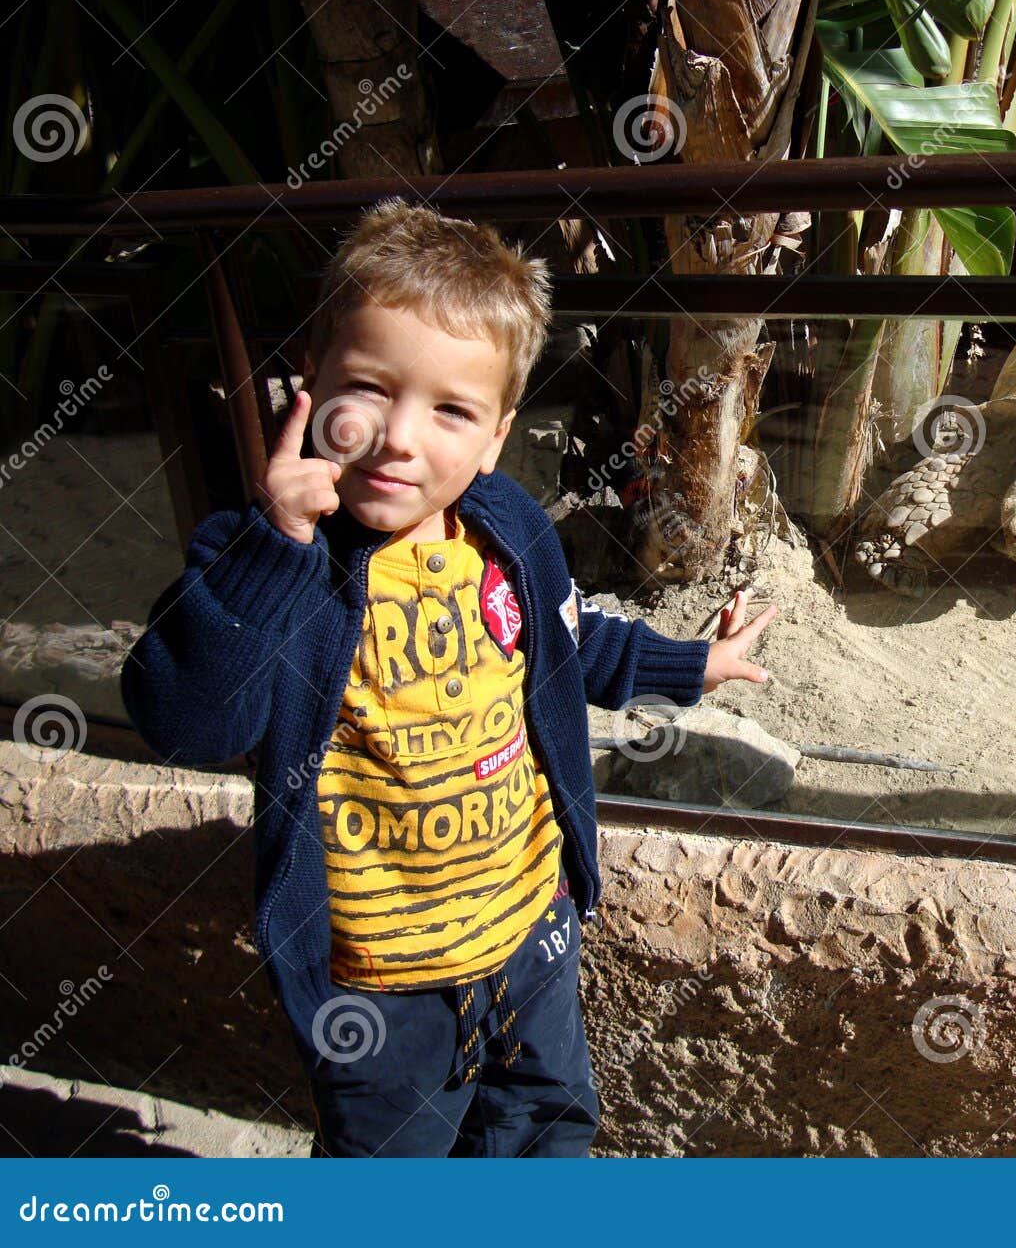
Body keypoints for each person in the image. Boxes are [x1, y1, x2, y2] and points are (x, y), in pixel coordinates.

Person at [119, 197, 777, 1156]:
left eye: (451, 411)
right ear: (309, 383)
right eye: (368, 391)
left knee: (546, 1137)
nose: (398, 438)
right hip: (379, 988)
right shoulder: (263, 557)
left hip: (530, 937)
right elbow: (187, 719)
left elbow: (569, 640)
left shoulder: (505, 532)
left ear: (497, 434)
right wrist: (276, 547)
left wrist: (691, 665)